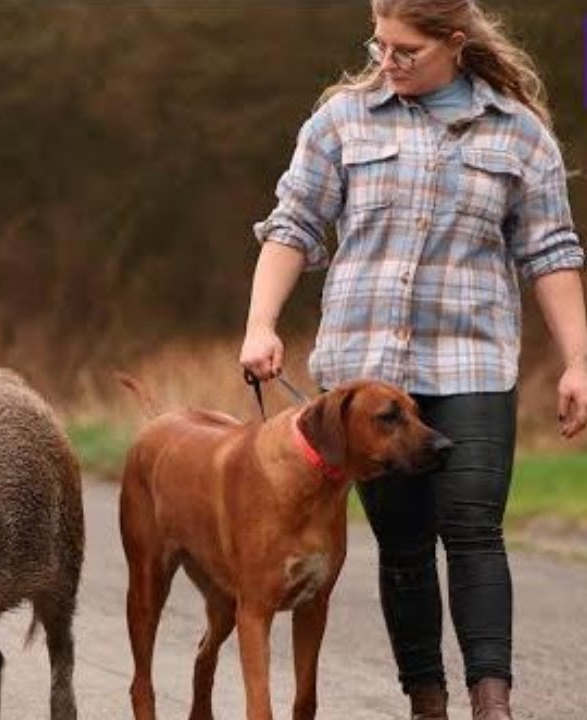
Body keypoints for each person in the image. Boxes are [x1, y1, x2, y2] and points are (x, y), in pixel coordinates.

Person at [240, 1, 586, 718]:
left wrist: (579, 359)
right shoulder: (342, 122)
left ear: (453, 43)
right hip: (366, 371)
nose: (387, 62)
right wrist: (261, 324)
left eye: (406, 51)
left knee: (473, 527)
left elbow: (551, 252)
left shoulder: (519, 133)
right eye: (380, 46)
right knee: (402, 545)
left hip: (472, 364)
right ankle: (427, 703)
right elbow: (294, 225)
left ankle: (492, 703)